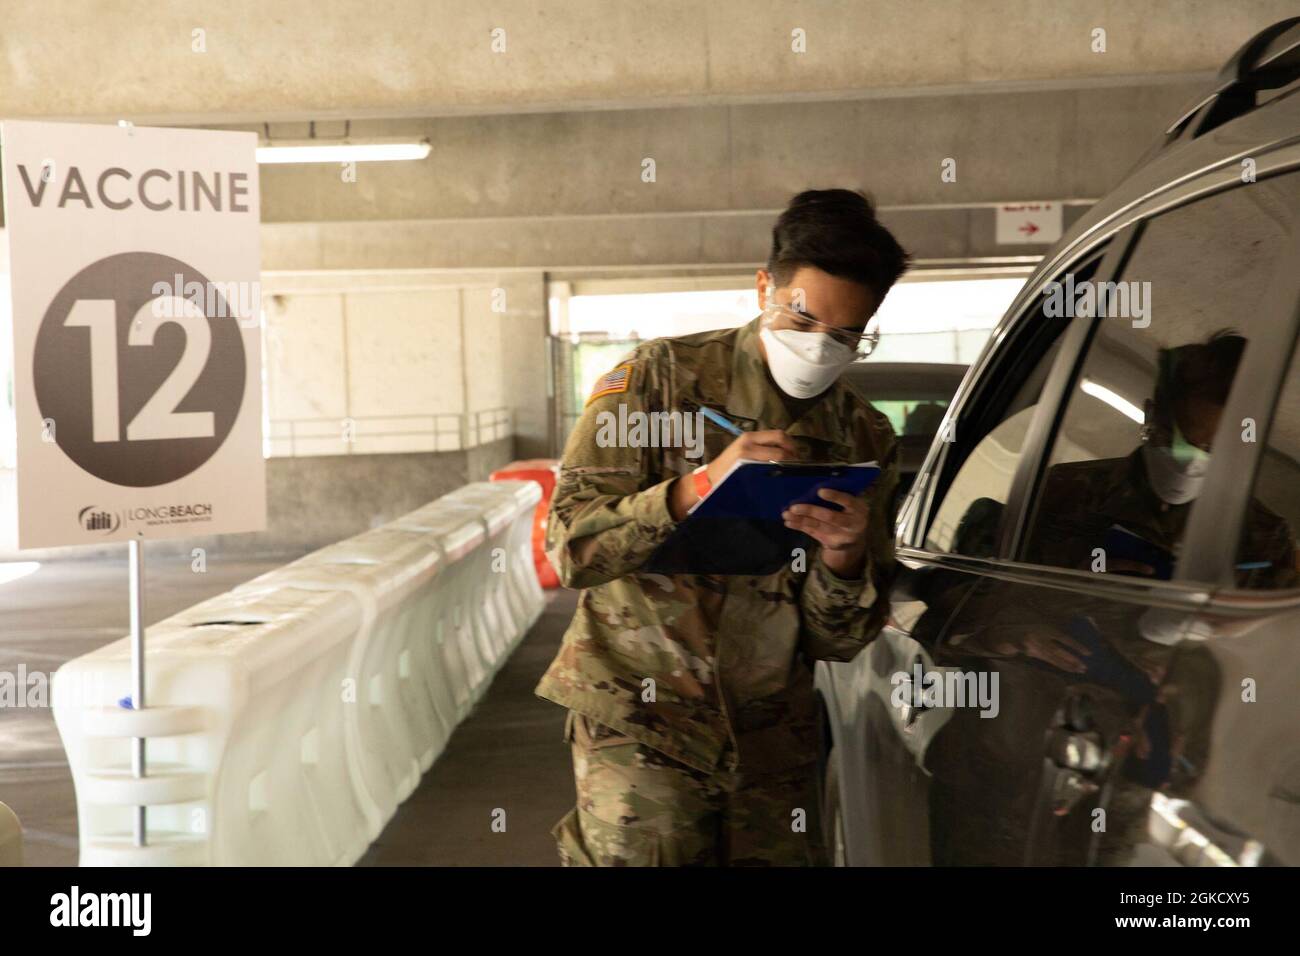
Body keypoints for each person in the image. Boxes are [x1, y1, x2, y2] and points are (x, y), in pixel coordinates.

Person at [535, 188, 909, 866]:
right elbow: (572, 550)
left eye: (845, 335)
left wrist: (845, 561)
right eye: (801, 319)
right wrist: (694, 489)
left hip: (772, 744)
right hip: (642, 722)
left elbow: (840, 639)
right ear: (765, 286)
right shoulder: (657, 381)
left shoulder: (861, 434)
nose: (819, 348)